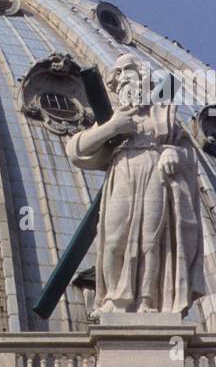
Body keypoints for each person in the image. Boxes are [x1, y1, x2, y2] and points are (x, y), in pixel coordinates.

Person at [66, 55, 204, 317]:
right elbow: (76, 150)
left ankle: (146, 301)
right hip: (122, 173)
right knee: (115, 238)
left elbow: (189, 154)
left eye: (126, 72)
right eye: (116, 77)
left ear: (143, 78)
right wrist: (111, 128)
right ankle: (115, 301)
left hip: (155, 175)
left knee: (151, 240)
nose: (120, 79)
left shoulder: (164, 116)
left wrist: (172, 152)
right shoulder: (113, 117)